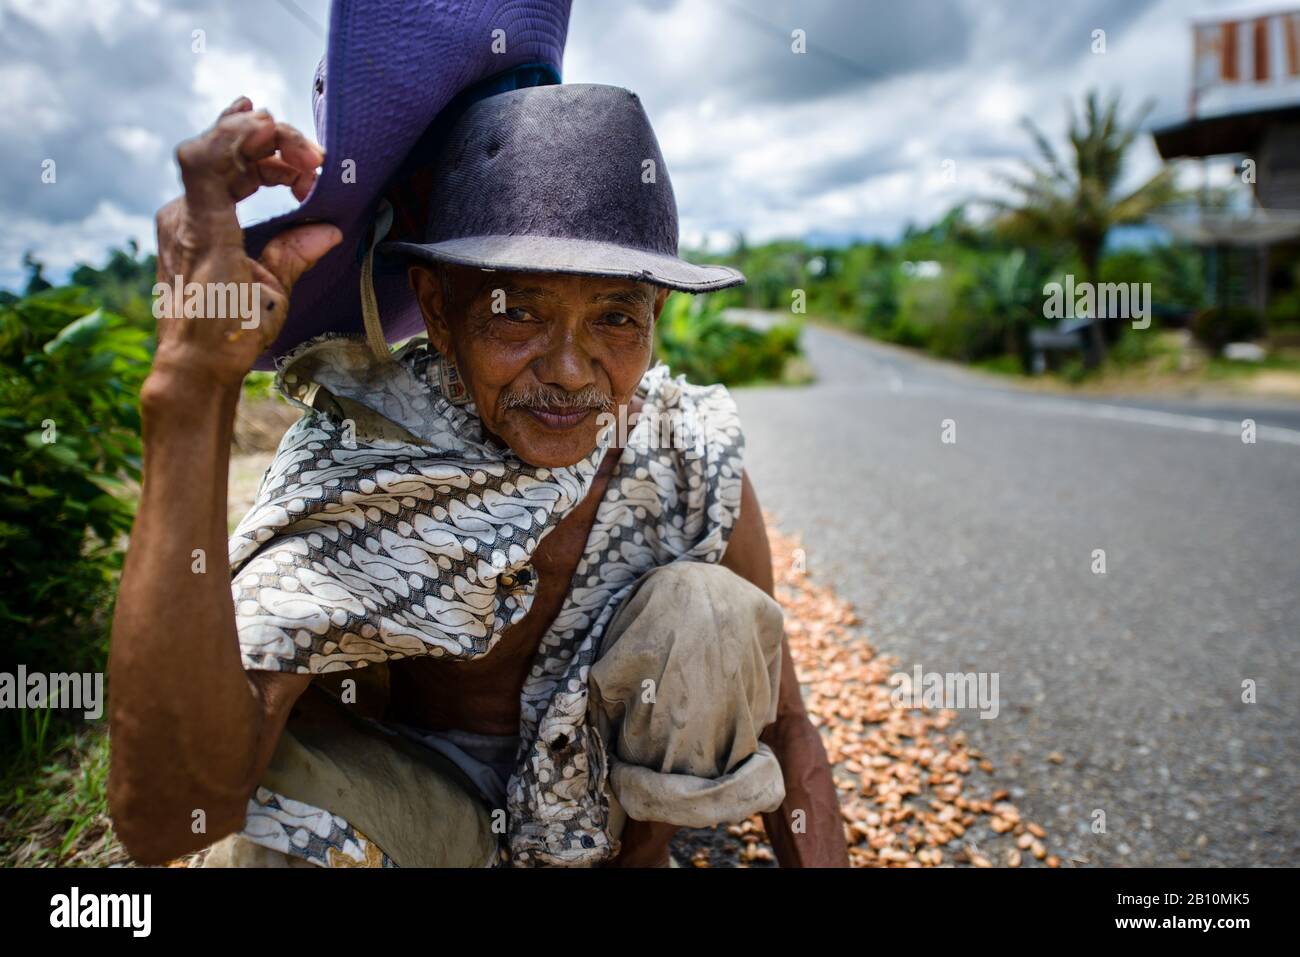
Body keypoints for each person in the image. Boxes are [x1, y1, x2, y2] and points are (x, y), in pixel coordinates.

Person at [106, 9, 847, 869]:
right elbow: (169, 818)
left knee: (714, 613)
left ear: (659, 317)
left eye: (616, 317)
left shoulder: (685, 454)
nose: (571, 370)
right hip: (432, 813)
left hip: (611, 827)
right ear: (442, 310)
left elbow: (789, 725)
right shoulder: (369, 455)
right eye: (517, 312)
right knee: (254, 848)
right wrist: (193, 389)